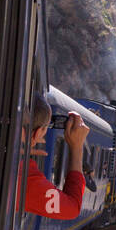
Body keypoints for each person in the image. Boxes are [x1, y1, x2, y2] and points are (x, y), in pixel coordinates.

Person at [25, 92, 88, 220]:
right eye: (45, 129)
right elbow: (72, 208)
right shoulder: (27, 178)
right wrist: (76, 148)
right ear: (37, 134)